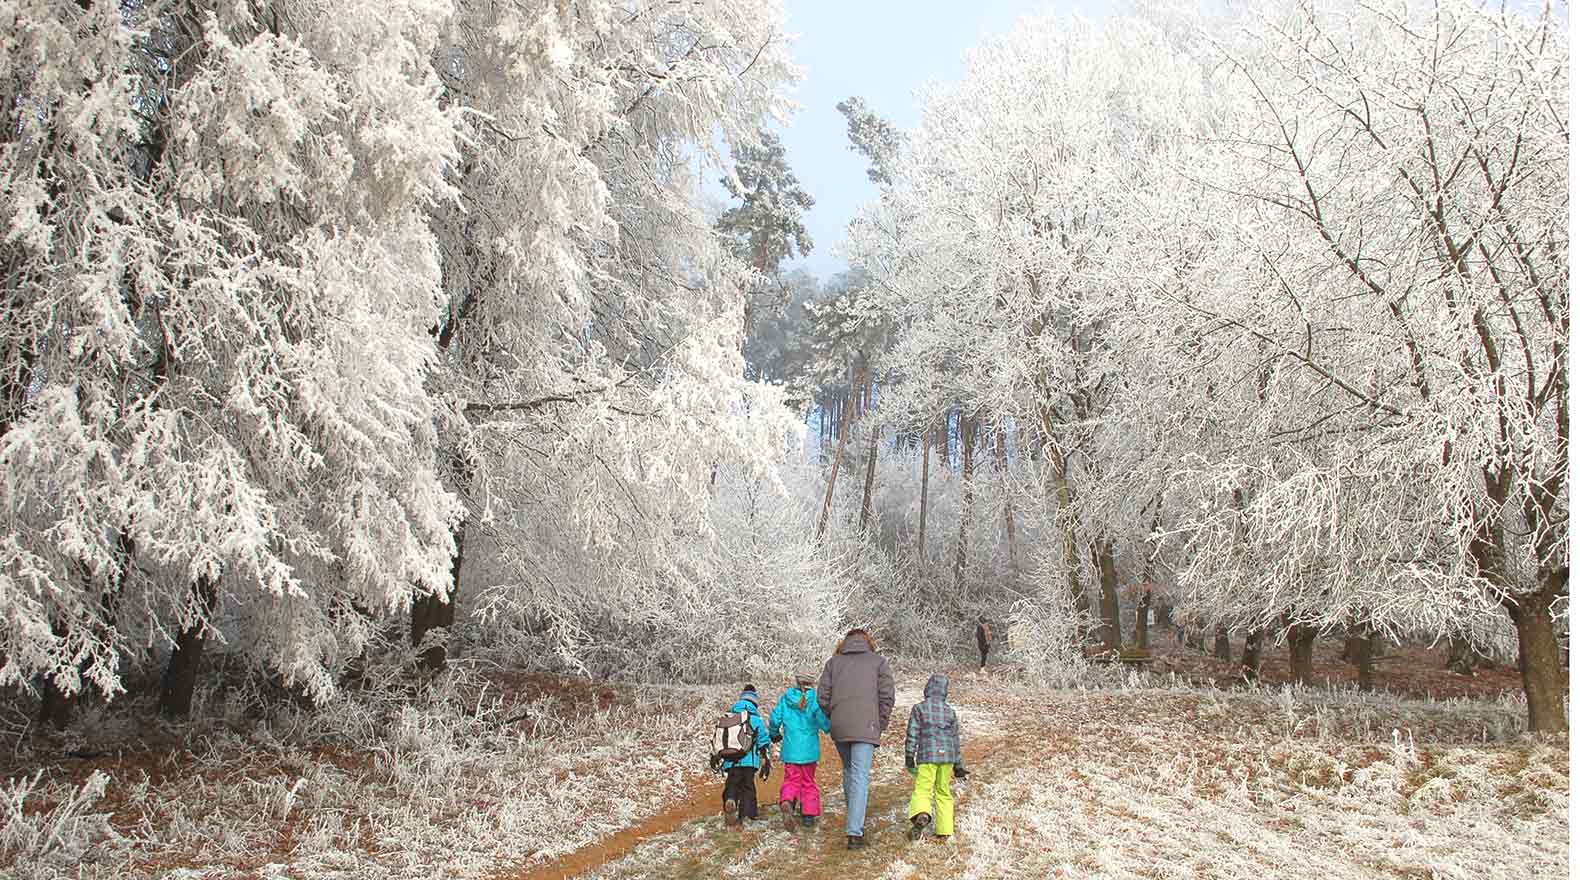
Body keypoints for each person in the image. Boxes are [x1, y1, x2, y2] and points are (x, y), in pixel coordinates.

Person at [816, 627, 895, 849]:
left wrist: (834, 716)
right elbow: (887, 696)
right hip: (867, 725)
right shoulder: (879, 662)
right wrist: (880, 722)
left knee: (850, 771)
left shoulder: (833, 663)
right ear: (867, 641)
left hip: (840, 726)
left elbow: (822, 697)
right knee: (859, 775)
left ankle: (855, 820)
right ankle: (854, 833)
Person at [905, 673, 969, 841]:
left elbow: (912, 734)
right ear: (944, 692)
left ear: (927, 689)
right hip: (947, 758)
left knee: (923, 789)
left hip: (927, 757)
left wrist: (909, 756)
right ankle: (945, 829)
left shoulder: (919, 708)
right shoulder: (950, 711)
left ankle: (922, 814)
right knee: (943, 791)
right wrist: (958, 766)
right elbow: (955, 741)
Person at [768, 672, 831, 830]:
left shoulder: (786, 698)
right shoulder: (815, 701)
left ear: (796, 682)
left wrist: (775, 734)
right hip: (809, 751)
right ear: (811, 684)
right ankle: (808, 816)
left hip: (791, 750)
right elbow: (825, 724)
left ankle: (787, 802)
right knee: (808, 782)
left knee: (791, 780)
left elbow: (775, 719)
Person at [710, 684, 771, 827]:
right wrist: (765, 757)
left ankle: (730, 800)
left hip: (730, 760)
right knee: (747, 786)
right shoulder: (755, 719)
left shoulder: (730, 716)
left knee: (732, 783)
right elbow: (763, 740)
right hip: (749, 761)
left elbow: (718, 738)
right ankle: (748, 815)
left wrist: (715, 756)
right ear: (754, 702)